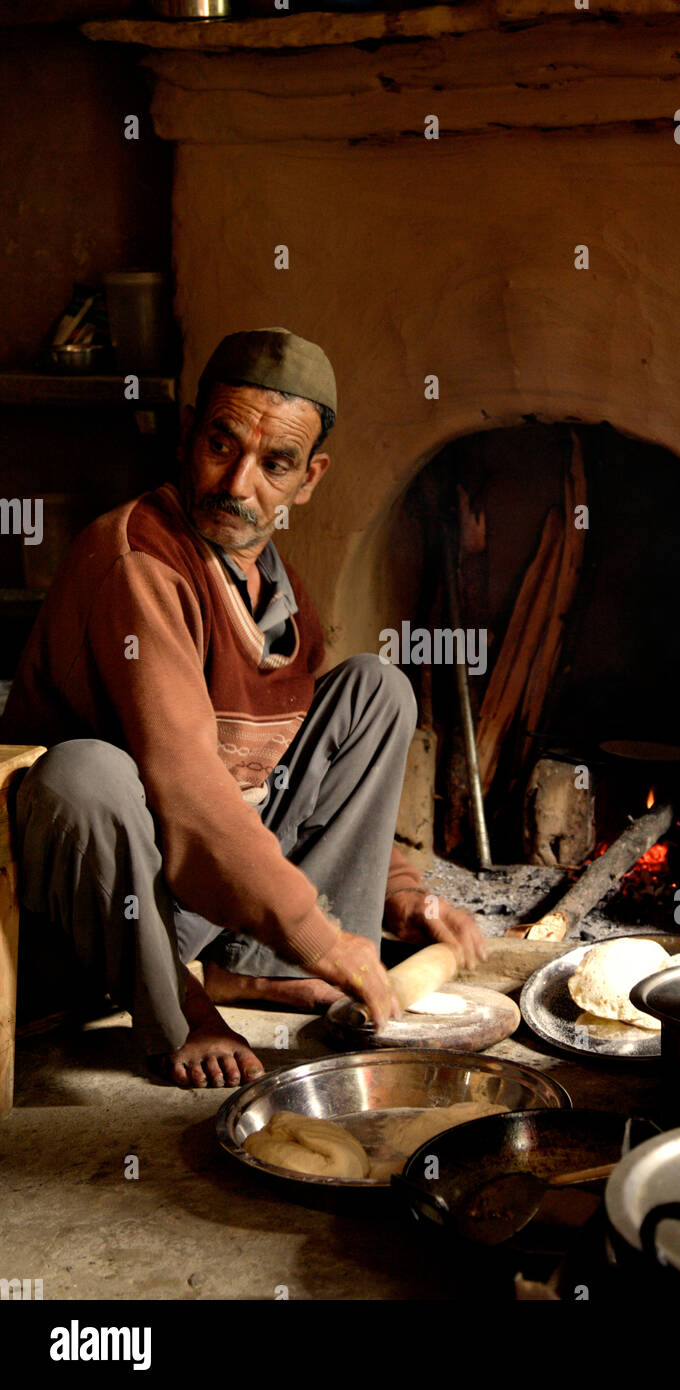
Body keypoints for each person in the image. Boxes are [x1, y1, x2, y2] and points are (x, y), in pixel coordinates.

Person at [1, 327, 486, 1089]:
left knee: (373, 689)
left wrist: (405, 899)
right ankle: (180, 1010)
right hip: (90, 908)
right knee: (83, 774)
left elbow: (291, 772)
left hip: (202, 888)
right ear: (188, 435)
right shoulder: (137, 559)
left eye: (275, 464)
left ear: (310, 478)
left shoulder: (278, 595)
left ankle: (247, 970)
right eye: (222, 445)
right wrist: (314, 931)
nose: (238, 484)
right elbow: (187, 786)